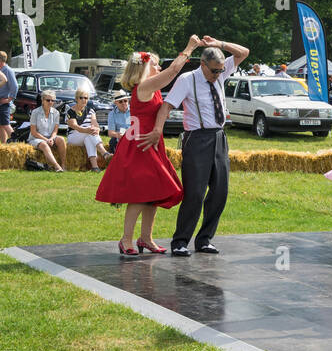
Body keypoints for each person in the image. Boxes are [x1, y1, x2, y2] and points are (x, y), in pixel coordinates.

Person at [147, 36, 250, 256]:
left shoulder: (220, 73)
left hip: (219, 137)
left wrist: (219, 44)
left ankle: (204, 239)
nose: (217, 75)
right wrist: (157, 131)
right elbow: (166, 106)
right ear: (203, 64)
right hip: (196, 138)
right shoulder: (187, 80)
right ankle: (180, 241)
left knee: (220, 192)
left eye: (221, 71)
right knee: (194, 193)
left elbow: (243, 52)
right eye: (213, 71)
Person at [97, 43, 197, 255]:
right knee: (140, 195)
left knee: (154, 193)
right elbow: (173, 71)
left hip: (150, 143)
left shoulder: (150, 88)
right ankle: (126, 240)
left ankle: (145, 238)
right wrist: (189, 48)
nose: (159, 68)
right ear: (144, 69)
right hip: (141, 145)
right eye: (155, 64)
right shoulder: (144, 87)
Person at [65, 87, 111, 171]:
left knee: (89, 137)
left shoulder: (91, 111)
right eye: (81, 97)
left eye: (86, 98)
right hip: (74, 136)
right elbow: (75, 127)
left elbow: (95, 124)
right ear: (76, 99)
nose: (84, 100)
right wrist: (88, 130)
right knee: (90, 134)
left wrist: (97, 129)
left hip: (87, 134)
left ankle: (95, 167)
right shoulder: (70, 111)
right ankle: (104, 152)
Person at [27, 90, 67, 172]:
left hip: (50, 137)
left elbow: (55, 131)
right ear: (42, 101)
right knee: (45, 145)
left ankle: (63, 164)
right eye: (48, 100)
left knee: (61, 140)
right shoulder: (35, 112)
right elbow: (33, 132)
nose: (50, 102)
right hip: (35, 138)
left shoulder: (56, 113)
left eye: (52, 100)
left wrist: (52, 138)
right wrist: (46, 140)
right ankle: (57, 166)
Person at [0, 51, 18, 143]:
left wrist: (9, 99)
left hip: (3, 103)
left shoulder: (7, 70)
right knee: (0, 124)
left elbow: (14, 86)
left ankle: (15, 141)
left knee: (6, 124)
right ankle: (3, 144)